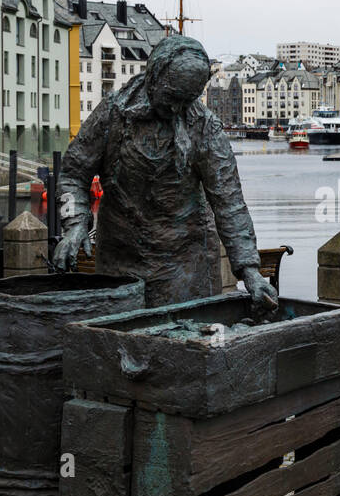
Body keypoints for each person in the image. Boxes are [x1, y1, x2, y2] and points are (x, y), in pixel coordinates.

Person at [52, 35, 277, 310]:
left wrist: (250, 271)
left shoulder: (206, 129)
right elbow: (73, 175)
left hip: (187, 265)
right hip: (120, 261)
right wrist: (74, 226)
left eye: (186, 101)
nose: (175, 109)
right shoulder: (112, 114)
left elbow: (229, 203)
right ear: (153, 77)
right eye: (171, 98)